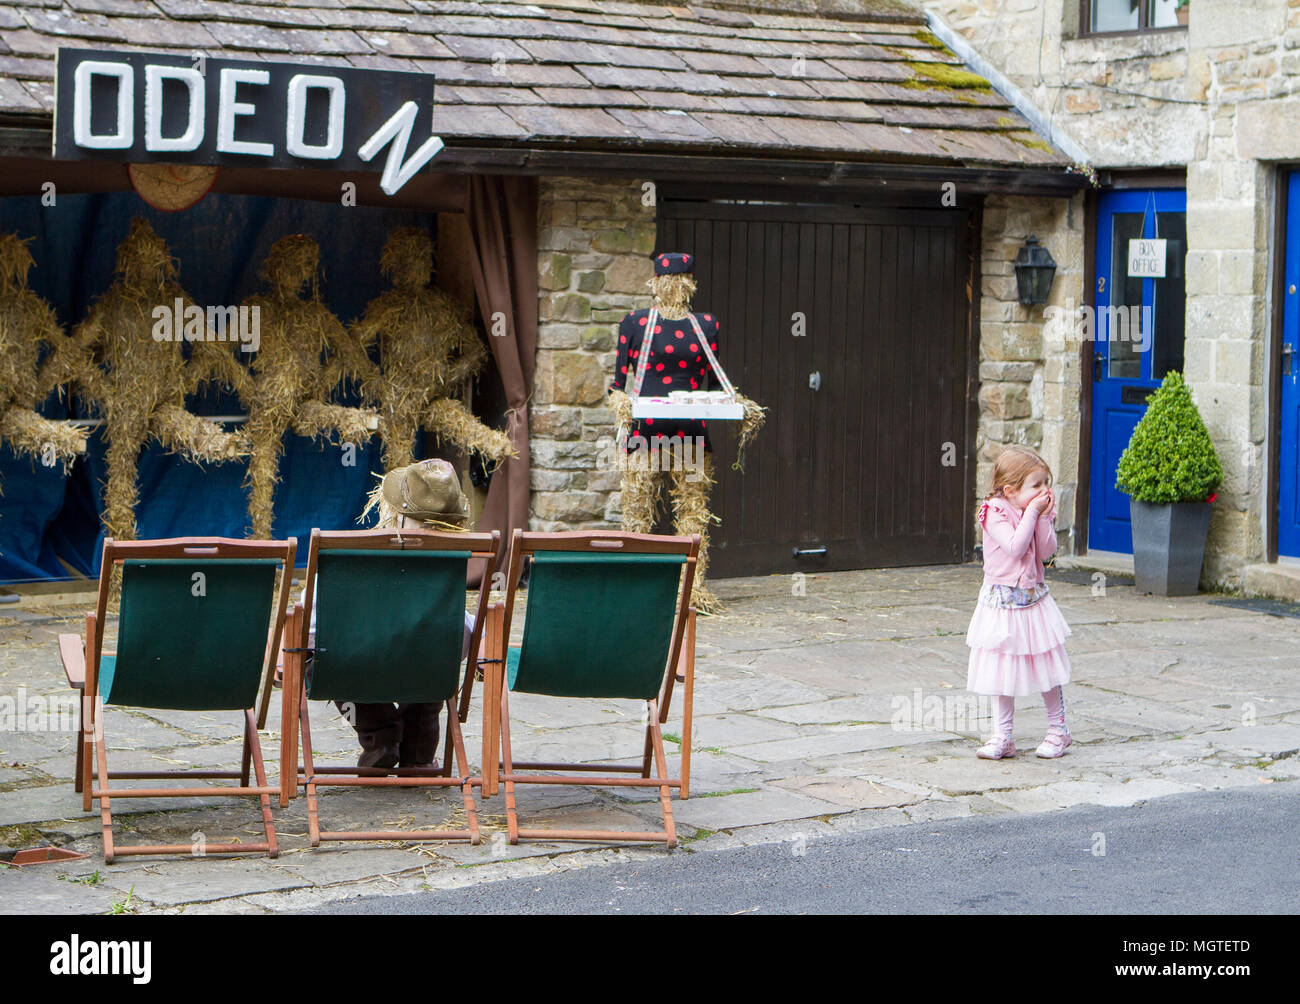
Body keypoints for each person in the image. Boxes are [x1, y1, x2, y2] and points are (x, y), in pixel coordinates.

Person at [307, 458, 477, 770]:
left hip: (353, 664)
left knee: (324, 652)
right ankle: (418, 752)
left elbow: (311, 630)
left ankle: (380, 737)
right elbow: (466, 637)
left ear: (397, 516)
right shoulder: (449, 563)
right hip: (424, 664)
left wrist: (283, 653)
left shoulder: (348, 559)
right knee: (436, 646)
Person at [965, 445, 1073, 760]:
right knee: (1001, 667)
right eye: (1036, 485)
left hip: (1032, 599)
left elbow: (1044, 552)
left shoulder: (1037, 511)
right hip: (1000, 601)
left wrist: (1040, 517)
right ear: (1010, 490)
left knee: (1045, 662)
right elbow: (1014, 547)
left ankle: (1059, 729)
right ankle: (1003, 735)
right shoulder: (994, 511)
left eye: (1046, 483)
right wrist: (1032, 513)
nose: (1044, 491)